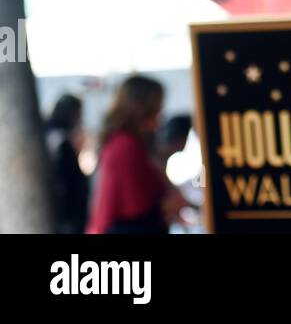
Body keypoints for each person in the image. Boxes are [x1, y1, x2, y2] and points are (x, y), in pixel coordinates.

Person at [86, 75, 186, 234]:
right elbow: (134, 208)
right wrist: (166, 206)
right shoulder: (124, 146)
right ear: (143, 108)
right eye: (157, 108)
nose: (160, 115)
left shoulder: (127, 143)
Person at [46, 94, 90, 233]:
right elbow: (70, 177)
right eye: (78, 114)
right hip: (67, 211)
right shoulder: (60, 139)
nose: (79, 118)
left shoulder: (52, 133)